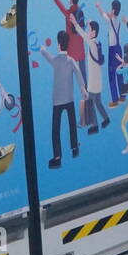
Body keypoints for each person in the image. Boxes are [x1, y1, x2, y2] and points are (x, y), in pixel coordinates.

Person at [39, 31, 87, 169]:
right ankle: (74, 148)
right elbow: (78, 73)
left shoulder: (55, 61)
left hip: (57, 101)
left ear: (58, 45)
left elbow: (46, 55)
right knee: (72, 124)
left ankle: (57, 157)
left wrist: (42, 49)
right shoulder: (71, 60)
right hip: (69, 98)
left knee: (56, 129)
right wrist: (82, 88)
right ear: (68, 45)